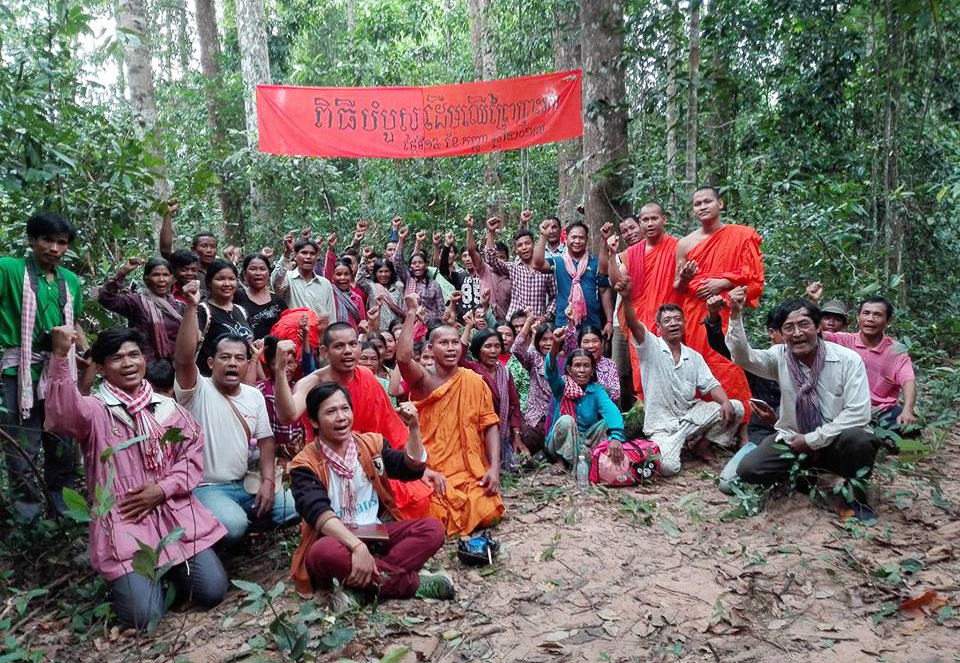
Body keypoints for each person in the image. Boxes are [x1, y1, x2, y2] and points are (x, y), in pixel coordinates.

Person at [44, 326, 228, 630]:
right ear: (101, 368)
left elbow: (191, 455)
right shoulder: (95, 410)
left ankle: (168, 572)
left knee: (213, 591)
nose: (128, 363)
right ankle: (147, 582)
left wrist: (163, 488)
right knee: (144, 619)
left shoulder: (166, 407)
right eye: (117, 358)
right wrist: (61, 356)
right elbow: (62, 415)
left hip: (172, 515)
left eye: (134, 355)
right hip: (125, 519)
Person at [725, 290, 881, 521]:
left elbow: (858, 413)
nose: (797, 333)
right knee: (749, 469)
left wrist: (812, 440)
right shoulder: (779, 356)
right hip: (794, 438)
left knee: (861, 440)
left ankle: (855, 497)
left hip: (834, 437)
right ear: (780, 333)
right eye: (788, 328)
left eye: (804, 325)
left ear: (818, 327)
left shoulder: (847, 360)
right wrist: (736, 315)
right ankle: (804, 478)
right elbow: (742, 357)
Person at [287, 383, 452, 600]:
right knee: (322, 552)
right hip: (337, 538)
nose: (341, 417)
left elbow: (408, 468)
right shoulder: (304, 465)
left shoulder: (369, 444)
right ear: (314, 421)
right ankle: (414, 584)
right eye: (331, 411)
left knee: (433, 529)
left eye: (345, 409)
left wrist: (414, 429)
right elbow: (319, 515)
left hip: (376, 532)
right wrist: (356, 547)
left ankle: (363, 589)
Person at [174, 281, 298, 546]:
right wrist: (191, 307)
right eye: (225, 357)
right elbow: (184, 360)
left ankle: (238, 519)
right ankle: (226, 521)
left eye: (239, 358)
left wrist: (267, 481)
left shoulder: (253, 395)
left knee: (293, 508)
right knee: (233, 526)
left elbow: (266, 442)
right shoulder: (196, 389)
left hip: (245, 483)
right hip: (208, 487)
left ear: (247, 363)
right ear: (211, 362)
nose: (233, 363)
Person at [272, 323, 438, 520]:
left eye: (353, 344)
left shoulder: (366, 376)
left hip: (370, 459)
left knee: (420, 501)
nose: (348, 351)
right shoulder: (313, 382)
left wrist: (416, 467)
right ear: (325, 351)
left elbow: (390, 428)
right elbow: (287, 415)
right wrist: (280, 370)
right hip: (329, 463)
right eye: (339, 346)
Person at [0, 211, 85, 520]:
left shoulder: (71, 280)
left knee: (61, 440)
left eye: (62, 242)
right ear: (32, 240)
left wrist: (89, 354)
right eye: (47, 240)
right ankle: (28, 517)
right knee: (23, 446)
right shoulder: (9, 269)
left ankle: (63, 511)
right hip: (17, 371)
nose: (54, 248)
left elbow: (73, 322)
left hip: (59, 369)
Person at [397, 293, 505, 535]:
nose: (450, 348)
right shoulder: (423, 379)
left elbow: (490, 425)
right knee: (429, 514)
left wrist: (493, 469)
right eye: (443, 343)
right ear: (430, 348)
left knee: (489, 511)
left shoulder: (474, 381)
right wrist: (412, 313)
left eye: (455, 342)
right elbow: (403, 358)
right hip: (430, 468)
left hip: (467, 471)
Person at [618, 277, 743, 476]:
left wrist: (725, 401)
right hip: (663, 426)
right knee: (668, 467)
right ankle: (670, 446)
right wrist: (626, 298)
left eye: (677, 319)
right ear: (658, 328)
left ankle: (702, 445)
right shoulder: (651, 347)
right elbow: (633, 324)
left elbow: (711, 385)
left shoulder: (693, 357)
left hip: (691, 417)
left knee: (736, 407)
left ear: (684, 324)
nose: (673, 324)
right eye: (667, 321)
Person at [674, 186, 764, 424]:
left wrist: (722, 283)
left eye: (707, 202)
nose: (702, 207)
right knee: (701, 365)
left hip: (728, 311)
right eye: (697, 204)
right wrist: (684, 277)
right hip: (696, 315)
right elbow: (678, 287)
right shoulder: (685, 244)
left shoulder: (741, 235)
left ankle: (740, 423)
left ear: (720, 204)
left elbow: (755, 278)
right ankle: (707, 426)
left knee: (731, 363)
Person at [606, 204, 681, 407]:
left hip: (668, 320)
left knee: (672, 368)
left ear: (663, 219)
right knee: (638, 370)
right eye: (645, 220)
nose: (649, 223)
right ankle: (641, 416)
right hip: (637, 320)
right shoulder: (632, 253)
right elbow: (616, 282)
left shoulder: (678, 247)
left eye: (653, 219)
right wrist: (612, 255)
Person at [821, 297, 918, 431]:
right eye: (866, 313)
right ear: (858, 318)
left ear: (888, 321)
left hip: (880, 411)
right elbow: (814, 334)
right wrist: (813, 302)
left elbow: (908, 380)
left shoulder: (897, 351)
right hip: (844, 407)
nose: (870, 319)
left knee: (908, 429)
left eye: (877, 315)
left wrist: (907, 410)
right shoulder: (843, 339)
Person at [543, 327, 625, 466]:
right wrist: (556, 344)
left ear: (592, 370)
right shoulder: (561, 386)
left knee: (607, 423)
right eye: (577, 366)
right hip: (559, 443)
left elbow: (612, 413)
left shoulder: (596, 390)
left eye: (586, 366)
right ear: (570, 369)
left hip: (585, 439)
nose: (582, 370)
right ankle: (564, 460)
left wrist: (616, 438)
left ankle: (584, 458)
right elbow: (551, 371)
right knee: (566, 421)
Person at [98, 257, 184, 364]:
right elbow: (105, 298)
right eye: (156, 275)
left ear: (171, 278)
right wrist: (124, 271)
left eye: (165, 275)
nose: (162, 279)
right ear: (146, 279)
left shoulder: (179, 306)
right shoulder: (136, 302)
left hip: (175, 367)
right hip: (145, 366)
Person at [462, 328, 523, 470]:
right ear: (478, 349)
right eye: (488, 346)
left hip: (503, 431)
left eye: (497, 346)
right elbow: (459, 358)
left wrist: (517, 436)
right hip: (478, 431)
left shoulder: (505, 373)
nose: (493, 351)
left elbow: (514, 404)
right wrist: (468, 327)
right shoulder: (470, 370)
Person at [532, 220, 610, 331]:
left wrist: (609, 321)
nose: (577, 241)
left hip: (591, 325)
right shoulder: (558, 262)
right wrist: (543, 235)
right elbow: (537, 263)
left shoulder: (595, 262)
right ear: (566, 238)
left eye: (581, 238)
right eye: (573, 237)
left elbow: (604, 291)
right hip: (563, 324)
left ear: (586, 240)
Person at [483, 211, 556, 320]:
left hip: (537, 324)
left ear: (534, 245)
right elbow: (491, 260)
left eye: (527, 243)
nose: (524, 247)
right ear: (516, 250)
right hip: (514, 324)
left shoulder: (546, 270)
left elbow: (554, 296)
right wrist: (491, 232)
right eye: (520, 245)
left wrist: (546, 316)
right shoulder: (513, 268)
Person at [195, 260, 254, 377]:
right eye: (220, 279)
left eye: (231, 279)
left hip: (240, 380)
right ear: (209, 283)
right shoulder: (203, 310)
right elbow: (192, 345)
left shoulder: (241, 311)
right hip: (211, 381)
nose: (227, 283)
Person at [259, 336, 307, 463]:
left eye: (289, 363)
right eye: (278, 363)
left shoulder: (300, 388)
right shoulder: (262, 388)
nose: (285, 368)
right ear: (269, 366)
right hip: (271, 454)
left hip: (298, 454)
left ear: (296, 364)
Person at [511, 315, 554, 453]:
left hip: (556, 413)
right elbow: (517, 349)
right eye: (544, 340)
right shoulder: (534, 358)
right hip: (536, 416)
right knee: (528, 436)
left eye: (552, 339)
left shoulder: (564, 361)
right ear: (537, 341)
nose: (548, 343)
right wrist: (528, 323)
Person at [159, 201, 218, 297]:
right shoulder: (185, 265)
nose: (209, 250)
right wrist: (168, 214)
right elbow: (165, 251)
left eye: (213, 247)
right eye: (204, 246)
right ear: (193, 249)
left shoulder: (219, 268)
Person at [272, 235, 336, 322]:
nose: (308, 257)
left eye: (312, 254)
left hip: (318, 334)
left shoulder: (325, 284)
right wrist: (287, 253)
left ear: (317, 257)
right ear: (295, 256)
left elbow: (331, 316)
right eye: (304, 253)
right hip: (292, 333)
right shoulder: (287, 278)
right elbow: (275, 282)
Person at [392, 227, 445, 325]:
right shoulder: (408, 280)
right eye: (414, 263)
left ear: (425, 266)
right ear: (410, 267)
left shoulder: (434, 285)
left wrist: (436, 324)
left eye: (420, 263)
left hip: (430, 325)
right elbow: (397, 261)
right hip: (410, 323)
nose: (417, 265)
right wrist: (401, 239)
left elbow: (441, 309)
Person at [465, 216, 512, 320]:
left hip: (508, 323)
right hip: (487, 321)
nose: (499, 260)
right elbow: (472, 251)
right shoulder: (484, 269)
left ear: (507, 259)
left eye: (502, 257)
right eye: (496, 257)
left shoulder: (512, 272)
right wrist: (470, 228)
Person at [561, 321, 620, 403]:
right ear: (579, 345)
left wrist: (593, 388)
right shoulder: (574, 365)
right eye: (586, 342)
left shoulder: (610, 364)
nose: (590, 346)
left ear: (602, 343)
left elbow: (615, 394)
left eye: (595, 341)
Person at [234, 253, 286, 340]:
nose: (258, 273)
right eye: (253, 269)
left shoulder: (278, 301)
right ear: (245, 273)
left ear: (269, 273)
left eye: (262, 269)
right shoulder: (236, 297)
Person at [438, 231, 483, 320]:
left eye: (470, 256)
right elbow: (443, 271)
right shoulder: (459, 276)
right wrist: (447, 245)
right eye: (464, 256)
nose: (467, 259)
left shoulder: (485, 275)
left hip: (483, 319)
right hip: (463, 320)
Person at [361, 257, 405, 332]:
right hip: (376, 330)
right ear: (375, 273)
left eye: (387, 271)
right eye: (380, 271)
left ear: (391, 272)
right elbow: (359, 279)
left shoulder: (397, 288)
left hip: (394, 331)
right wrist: (364, 258)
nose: (383, 274)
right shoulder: (371, 287)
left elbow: (400, 311)